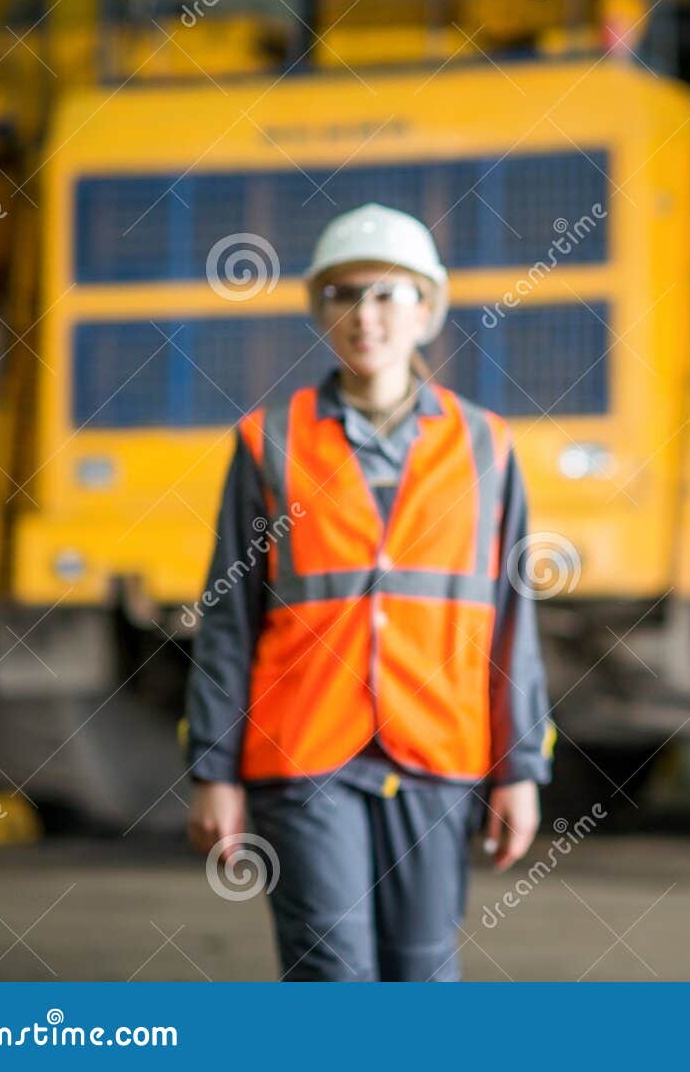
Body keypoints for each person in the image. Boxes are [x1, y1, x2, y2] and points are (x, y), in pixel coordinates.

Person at [183, 203, 553, 982]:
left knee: (422, 973)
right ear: (321, 310)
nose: (366, 314)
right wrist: (214, 770)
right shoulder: (269, 440)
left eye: (389, 293)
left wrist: (519, 768)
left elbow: (513, 620)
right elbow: (228, 618)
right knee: (333, 973)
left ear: (427, 310)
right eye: (344, 294)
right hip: (306, 745)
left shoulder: (485, 444)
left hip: (437, 744)